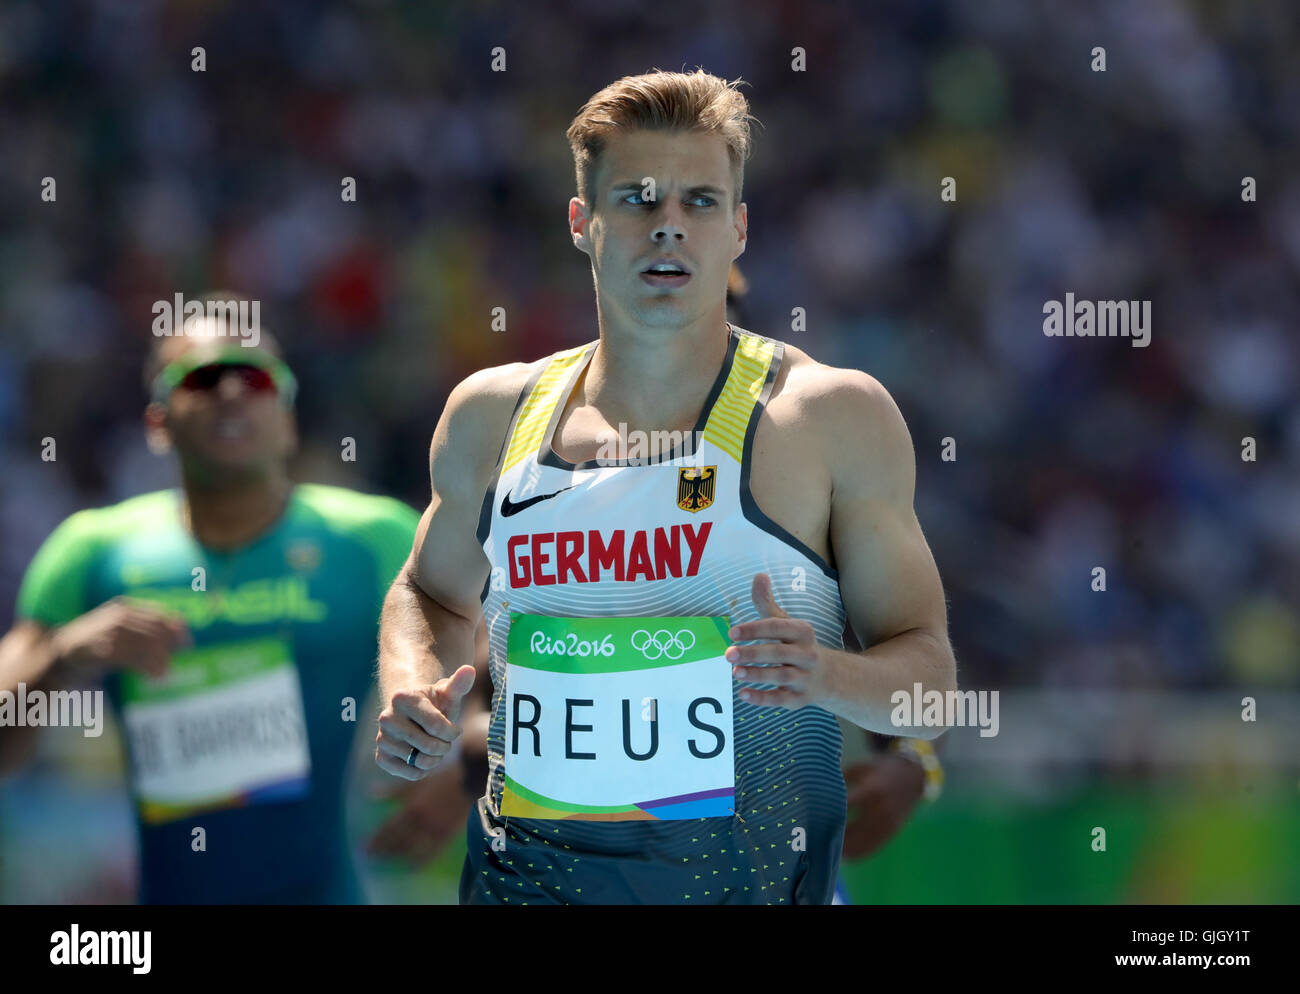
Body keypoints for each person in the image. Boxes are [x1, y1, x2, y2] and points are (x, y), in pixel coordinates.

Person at [375, 69, 958, 905]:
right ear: (584, 222)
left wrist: (826, 677)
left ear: (740, 228)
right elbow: (429, 590)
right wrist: (412, 684)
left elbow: (931, 692)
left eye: (700, 202)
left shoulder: (828, 418)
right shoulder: (489, 415)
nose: (669, 229)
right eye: (639, 201)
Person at [0, 296, 422, 903]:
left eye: (253, 377)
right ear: (156, 422)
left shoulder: (376, 540)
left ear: (287, 415)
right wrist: (63, 656)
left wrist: (462, 772)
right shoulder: (91, 552)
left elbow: (493, 675)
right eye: (200, 377)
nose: (230, 394)